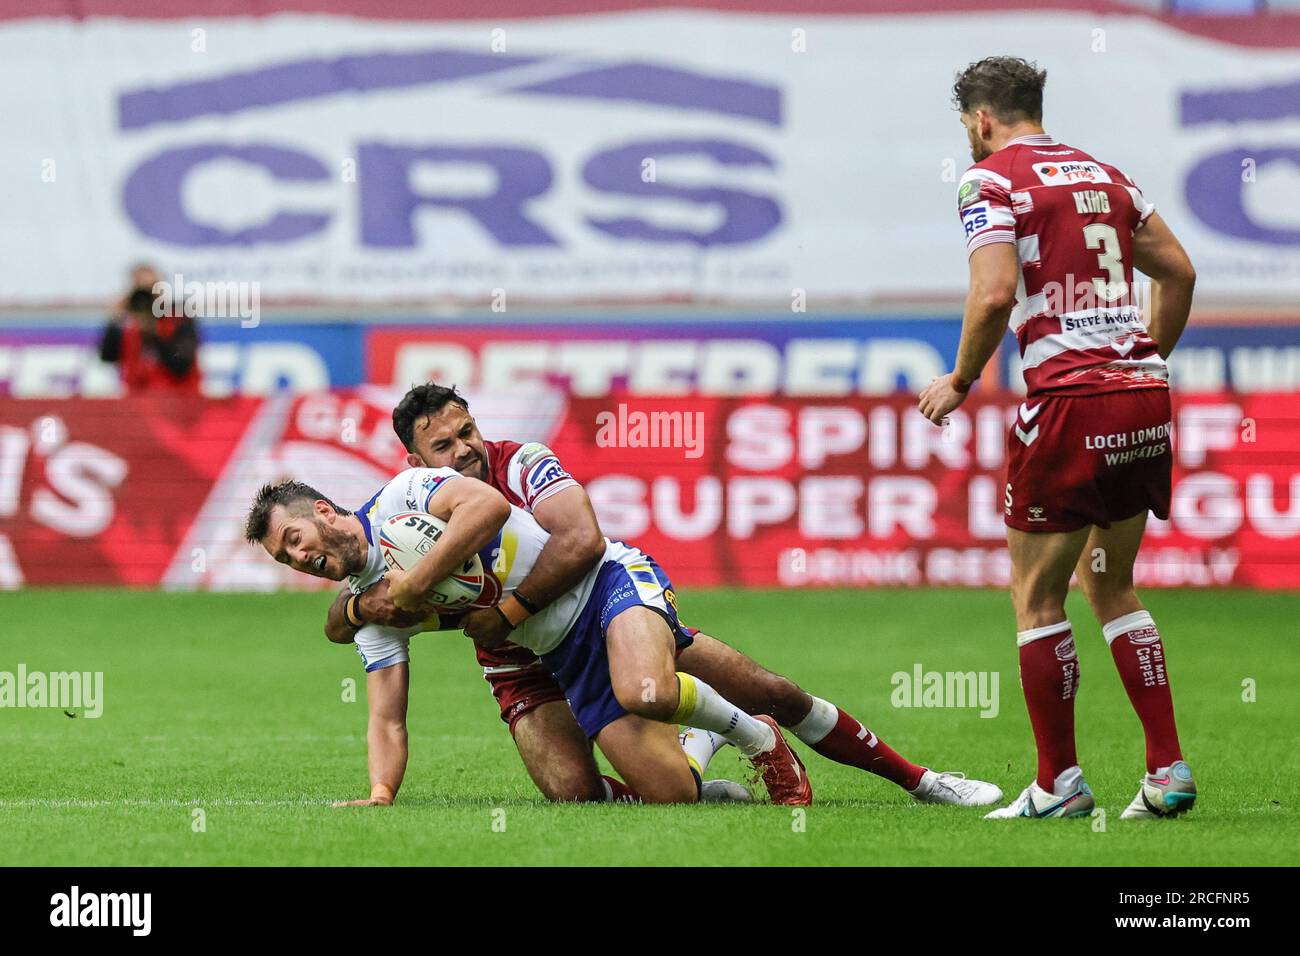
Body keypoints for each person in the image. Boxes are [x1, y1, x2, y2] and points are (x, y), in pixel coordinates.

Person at [325, 383, 1002, 808]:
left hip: (600, 591)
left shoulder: (520, 462)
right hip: (527, 651)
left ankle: (920, 781)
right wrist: (358, 610)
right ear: (414, 465)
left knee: (764, 692)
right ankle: (697, 754)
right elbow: (347, 612)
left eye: (467, 432)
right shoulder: (401, 519)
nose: (467, 450)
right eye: (445, 445)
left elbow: (582, 541)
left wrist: (505, 611)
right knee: (580, 792)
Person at [918, 57, 1198, 820]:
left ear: (979, 120)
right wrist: (1139, 363)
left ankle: (1059, 785)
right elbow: (1179, 273)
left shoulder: (991, 182)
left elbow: (995, 290)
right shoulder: (1108, 178)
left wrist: (961, 380)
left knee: (1037, 598)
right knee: (1109, 582)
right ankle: (1167, 770)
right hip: (1139, 400)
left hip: (1071, 407)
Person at [246, 474, 810, 805]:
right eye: (285, 557)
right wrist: (380, 794)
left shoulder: (405, 494)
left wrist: (417, 583)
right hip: (545, 644)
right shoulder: (370, 608)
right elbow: (386, 717)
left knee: (658, 688)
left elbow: (488, 505)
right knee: (616, 793)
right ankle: (698, 746)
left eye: (294, 538)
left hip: (596, 584)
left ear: (324, 511)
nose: (299, 557)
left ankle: (751, 730)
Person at [98, 264, 200, 394]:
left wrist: (153, 330)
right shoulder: (128, 324)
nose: (146, 299)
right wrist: (114, 320)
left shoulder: (179, 316)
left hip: (177, 402)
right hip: (137, 403)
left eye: (151, 289)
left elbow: (181, 365)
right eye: (141, 291)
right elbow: (107, 357)